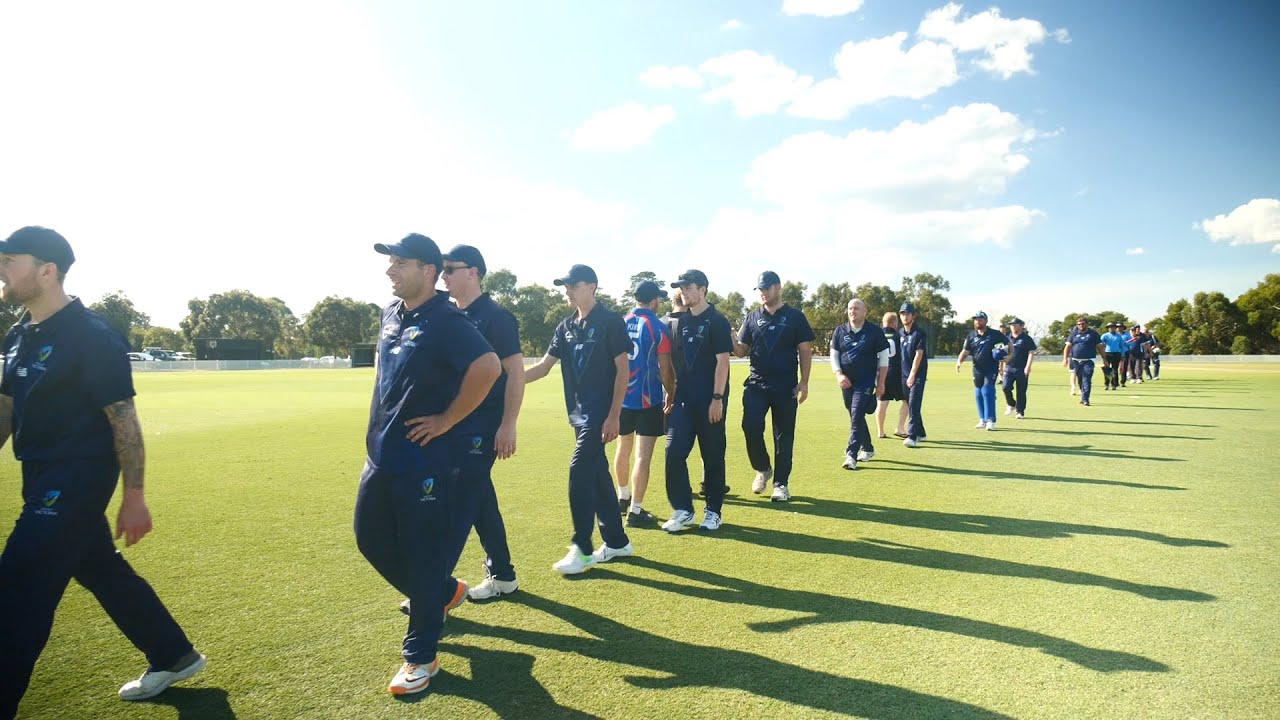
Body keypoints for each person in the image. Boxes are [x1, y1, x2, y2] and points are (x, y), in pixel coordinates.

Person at [0, 227, 205, 718]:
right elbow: (6, 408)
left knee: (18, 586)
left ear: (46, 271)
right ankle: (172, 654)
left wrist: (134, 494)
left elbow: (123, 419)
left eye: (10, 261)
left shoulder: (90, 336)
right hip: (40, 472)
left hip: (78, 476)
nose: (2, 270)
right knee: (96, 565)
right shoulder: (19, 333)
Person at [358, 233, 501, 695]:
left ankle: (420, 657)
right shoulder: (391, 313)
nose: (390, 271)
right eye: (390, 263)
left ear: (428, 270)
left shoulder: (446, 319)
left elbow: (489, 366)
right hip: (380, 453)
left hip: (424, 459)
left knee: (422, 555)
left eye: (400, 263)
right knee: (369, 538)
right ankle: (441, 592)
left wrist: (447, 419)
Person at [524, 264, 634, 571]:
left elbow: (623, 370)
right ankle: (617, 542)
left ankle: (582, 546)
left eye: (573, 285)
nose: (567, 291)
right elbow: (544, 367)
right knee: (598, 476)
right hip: (578, 414)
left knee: (580, 469)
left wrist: (614, 416)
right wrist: (504, 381)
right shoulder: (565, 326)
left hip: (601, 414)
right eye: (566, 286)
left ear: (592, 287)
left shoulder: (611, 321)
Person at [438, 244, 524, 601]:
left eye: (449, 270)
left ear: (472, 272)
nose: (443, 276)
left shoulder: (496, 317)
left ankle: (436, 587)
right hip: (452, 421)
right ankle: (502, 574)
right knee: (478, 497)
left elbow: (515, 373)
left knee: (460, 498)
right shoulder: (445, 314)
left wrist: (508, 424)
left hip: (483, 423)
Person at [733, 271, 814, 502]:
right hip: (756, 384)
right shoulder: (751, 318)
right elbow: (741, 351)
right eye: (760, 289)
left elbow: (805, 350)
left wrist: (804, 382)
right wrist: (731, 337)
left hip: (785, 386)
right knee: (750, 427)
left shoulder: (795, 317)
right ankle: (763, 468)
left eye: (766, 288)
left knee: (784, 436)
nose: (763, 293)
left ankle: (781, 484)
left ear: (778, 287)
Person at [662, 269, 733, 531]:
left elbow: (722, 362)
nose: (684, 292)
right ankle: (683, 509)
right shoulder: (679, 322)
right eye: (681, 288)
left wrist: (717, 398)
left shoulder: (717, 321)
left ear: (703, 289)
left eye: (688, 287)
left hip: (710, 400)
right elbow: (673, 364)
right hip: (683, 401)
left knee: (713, 455)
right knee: (673, 452)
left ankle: (713, 510)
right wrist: (670, 394)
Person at [613, 280, 675, 527]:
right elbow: (666, 370)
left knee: (623, 447)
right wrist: (671, 392)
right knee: (643, 456)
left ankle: (622, 496)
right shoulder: (658, 327)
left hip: (621, 399)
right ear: (655, 301)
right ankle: (636, 511)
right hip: (648, 399)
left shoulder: (620, 322)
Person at [830, 298, 889, 470]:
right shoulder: (840, 331)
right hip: (846, 383)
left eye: (856, 308)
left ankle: (851, 454)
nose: (852, 311)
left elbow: (884, 359)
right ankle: (868, 448)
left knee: (856, 414)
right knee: (855, 415)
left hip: (866, 382)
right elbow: (834, 356)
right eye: (849, 308)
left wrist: (881, 383)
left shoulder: (875, 332)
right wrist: (839, 375)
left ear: (865, 311)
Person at [955, 311, 1007, 430]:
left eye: (980, 319)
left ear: (986, 321)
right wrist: (959, 361)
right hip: (977, 368)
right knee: (978, 392)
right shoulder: (971, 335)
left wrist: (1008, 357)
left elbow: (1008, 344)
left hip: (991, 367)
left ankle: (990, 420)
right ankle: (982, 419)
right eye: (976, 319)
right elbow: (965, 351)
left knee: (988, 390)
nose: (978, 321)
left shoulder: (995, 334)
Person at [898, 303, 929, 448]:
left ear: (913, 316)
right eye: (902, 313)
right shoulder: (900, 333)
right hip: (903, 374)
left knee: (914, 404)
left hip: (917, 375)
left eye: (907, 313)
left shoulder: (919, 333)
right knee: (911, 405)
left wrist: (912, 374)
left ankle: (912, 436)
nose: (904, 316)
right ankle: (921, 433)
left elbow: (919, 354)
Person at [877, 311, 907, 440]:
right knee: (907, 401)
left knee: (882, 403)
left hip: (881, 374)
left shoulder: (877, 336)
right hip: (897, 374)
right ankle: (900, 427)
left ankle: (880, 431)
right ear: (894, 323)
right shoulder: (899, 336)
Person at [1062, 316, 1105, 406]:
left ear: (1087, 324)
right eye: (1079, 324)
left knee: (1087, 379)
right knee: (1080, 379)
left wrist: (1104, 359)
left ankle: (1086, 399)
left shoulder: (1093, 334)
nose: (1081, 326)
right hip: (1076, 361)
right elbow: (1068, 346)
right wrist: (1065, 358)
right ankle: (1083, 396)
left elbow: (1100, 347)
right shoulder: (1073, 334)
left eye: (1082, 324)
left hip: (1089, 360)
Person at [1001, 318, 1037, 418]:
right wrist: (1001, 366)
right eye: (1011, 325)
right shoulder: (1006, 338)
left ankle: (1020, 411)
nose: (1013, 326)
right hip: (1009, 367)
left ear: (1021, 326)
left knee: (1021, 391)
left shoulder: (1026, 339)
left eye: (1015, 324)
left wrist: (1028, 367)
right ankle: (1011, 404)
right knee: (1005, 387)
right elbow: (1001, 353)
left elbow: (1031, 353)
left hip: (1022, 368)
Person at [1100, 321, 1128, 390]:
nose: (1111, 329)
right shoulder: (1105, 336)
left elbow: (1122, 346)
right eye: (1110, 327)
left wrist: (1123, 355)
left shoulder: (1119, 336)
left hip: (1116, 353)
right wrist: (1102, 352)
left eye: (1113, 327)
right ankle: (1107, 384)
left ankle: (1114, 384)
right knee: (1107, 369)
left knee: (1114, 369)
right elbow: (1100, 344)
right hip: (1107, 353)